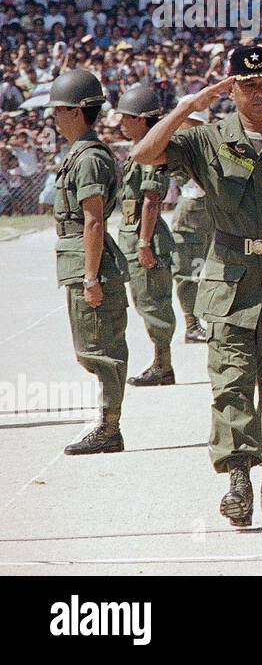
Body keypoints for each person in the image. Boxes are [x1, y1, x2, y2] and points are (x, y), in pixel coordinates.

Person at [131, 45, 262, 528]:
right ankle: (239, 479)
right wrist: (188, 106)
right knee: (231, 384)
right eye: (248, 85)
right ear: (231, 89)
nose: (259, 92)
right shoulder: (206, 140)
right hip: (229, 277)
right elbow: (144, 152)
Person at [48, 69, 131, 455]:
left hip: (89, 261)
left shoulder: (89, 159)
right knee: (89, 348)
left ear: (78, 112)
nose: (55, 118)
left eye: (60, 110)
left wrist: (91, 276)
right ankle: (107, 424)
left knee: (102, 350)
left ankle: (109, 428)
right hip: (79, 259)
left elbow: (94, 219)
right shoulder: (80, 154)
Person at [115, 83, 178, 388]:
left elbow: (151, 199)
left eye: (125, 118)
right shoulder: (140, 149)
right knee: (143, 300)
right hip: (136, 234)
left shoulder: (153, 151)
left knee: (153, 302)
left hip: (146, 237)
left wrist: (144, 243)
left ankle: (163, 366)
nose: (120, 123)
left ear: (141, 120)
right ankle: (159, 362)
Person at [170, 108, 215, 344]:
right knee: (188, 274)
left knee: (201, 273)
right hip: (190, 219)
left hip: (205, 217)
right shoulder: (180, 148)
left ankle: (199, 322)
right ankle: (192, 324)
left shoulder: (201, 146)